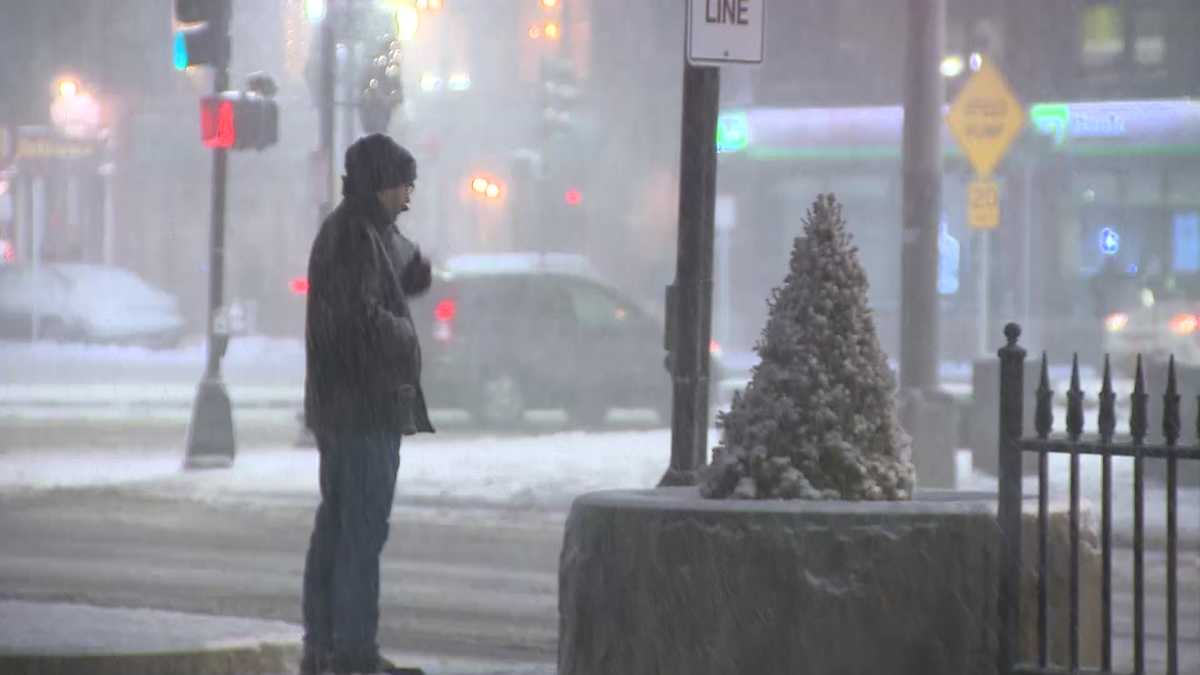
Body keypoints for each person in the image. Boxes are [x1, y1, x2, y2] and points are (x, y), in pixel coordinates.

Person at [301, 133, 434, 675]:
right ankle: (352, 652)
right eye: (404, 185)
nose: (408, 197)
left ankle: (328, 647)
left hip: (350, 407)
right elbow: (354, 320)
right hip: (360, 408)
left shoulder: (364, 232)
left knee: (341, 527)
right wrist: (403, 335)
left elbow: (410, 277)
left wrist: (402, 254)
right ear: (381, 184)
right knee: (359, 531)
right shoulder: (352, 237)